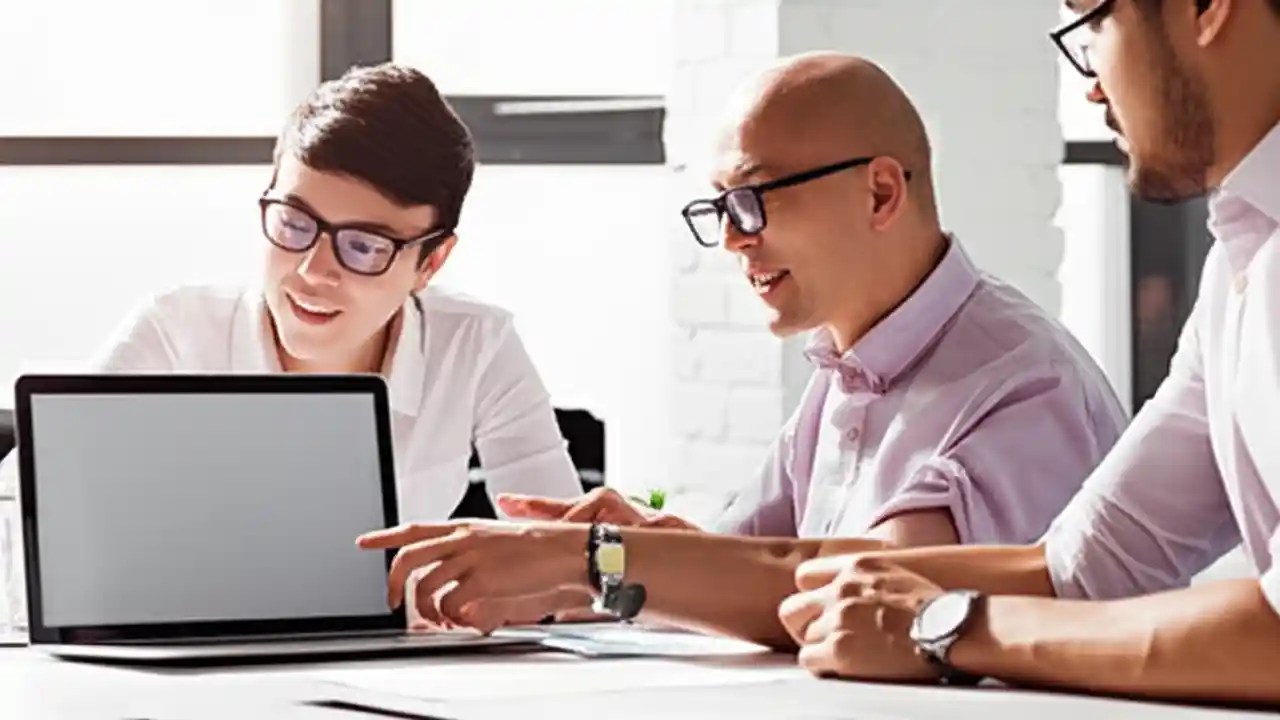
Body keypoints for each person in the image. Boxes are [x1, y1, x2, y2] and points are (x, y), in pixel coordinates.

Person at [355, 52, 1127, 647]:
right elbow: (741, 571)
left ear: (881, 193)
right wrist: (629, 550)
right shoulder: (847, 374)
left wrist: (588, 559)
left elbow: (867, 599)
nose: (730, 239)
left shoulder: (1021, 384)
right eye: (719, 207)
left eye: (752, 200)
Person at [774, 0, 1280, 705]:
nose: (1091, 83)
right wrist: (860, 594)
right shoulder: (1239, 262)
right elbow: (1087, 564)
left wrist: (951, 626)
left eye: (1096, 20)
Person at [27, 63, 583, 521]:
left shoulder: (475, 343)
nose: (314, 271)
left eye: (364, 247)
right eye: (295, 223)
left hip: (396, 655)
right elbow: (22, 519)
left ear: (430, 262)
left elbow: (565, 549)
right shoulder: (177, 333)